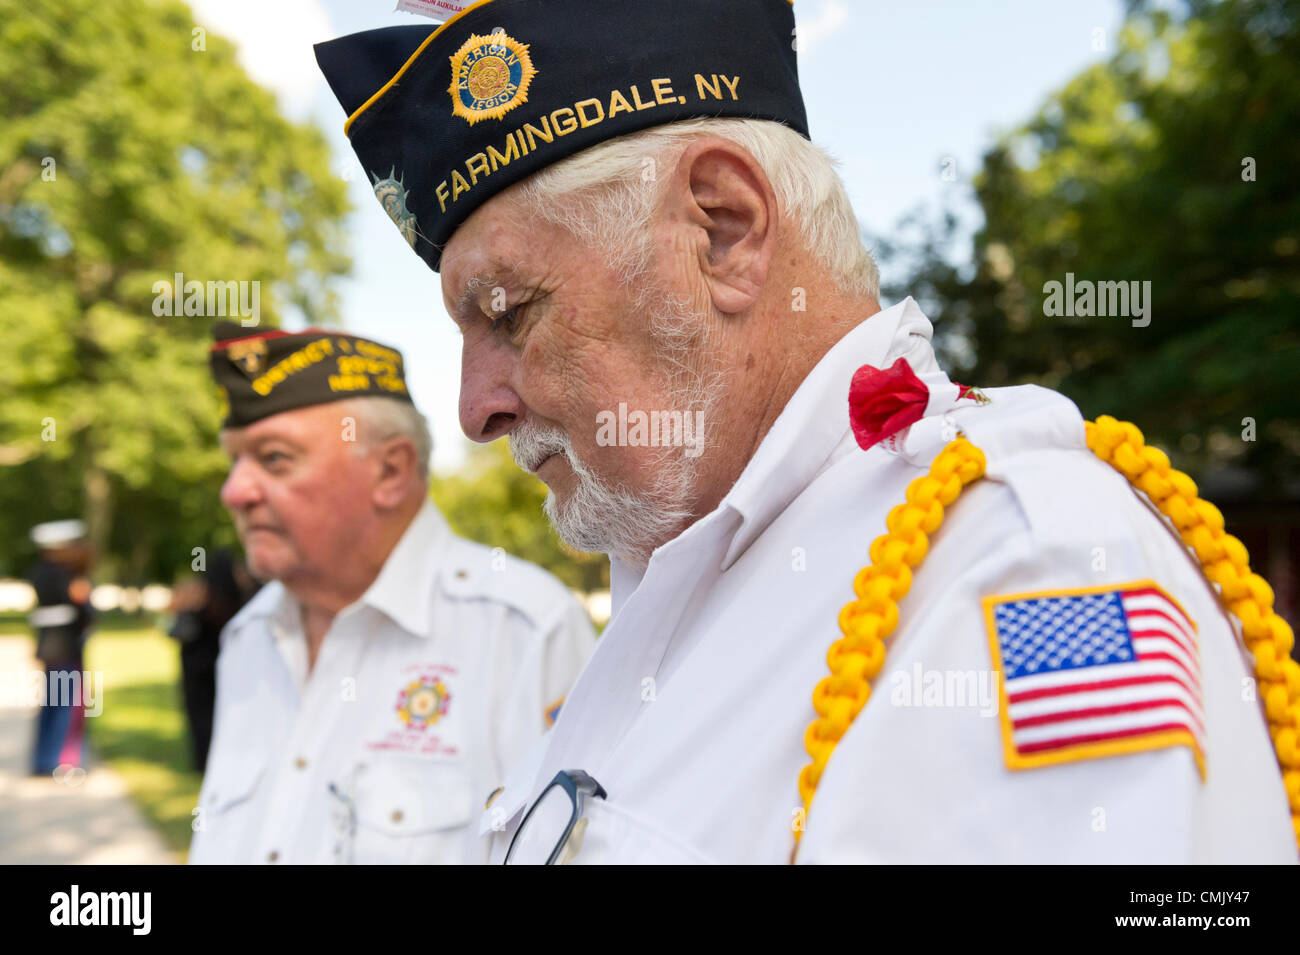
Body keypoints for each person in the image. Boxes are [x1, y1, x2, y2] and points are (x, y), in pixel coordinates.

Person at [315, 0, 1298, 863]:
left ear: (724, 229)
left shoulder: (1036, 564)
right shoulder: (701, 562)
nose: (474, 407)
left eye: (510, 309)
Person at [188, 321, 597, 864]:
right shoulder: (249, 634)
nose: (234, 490)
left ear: (391, 470)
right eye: (234, 460)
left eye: (274, 459)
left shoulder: (522, 630)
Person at [168, 550, 259, 773]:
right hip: (226, 671)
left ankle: (204, 762)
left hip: (199, 673)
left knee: (202, 721)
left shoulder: (203, 598)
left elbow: (178, 632)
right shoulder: (242, 598)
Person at [27, 519, 95, 776]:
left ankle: (43, 759)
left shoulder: (40, 572)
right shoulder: (66, 577)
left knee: (51, 705)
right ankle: (57, 760)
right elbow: (85, 612)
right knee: (65, 706)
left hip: (51, 646)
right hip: (65, 646)